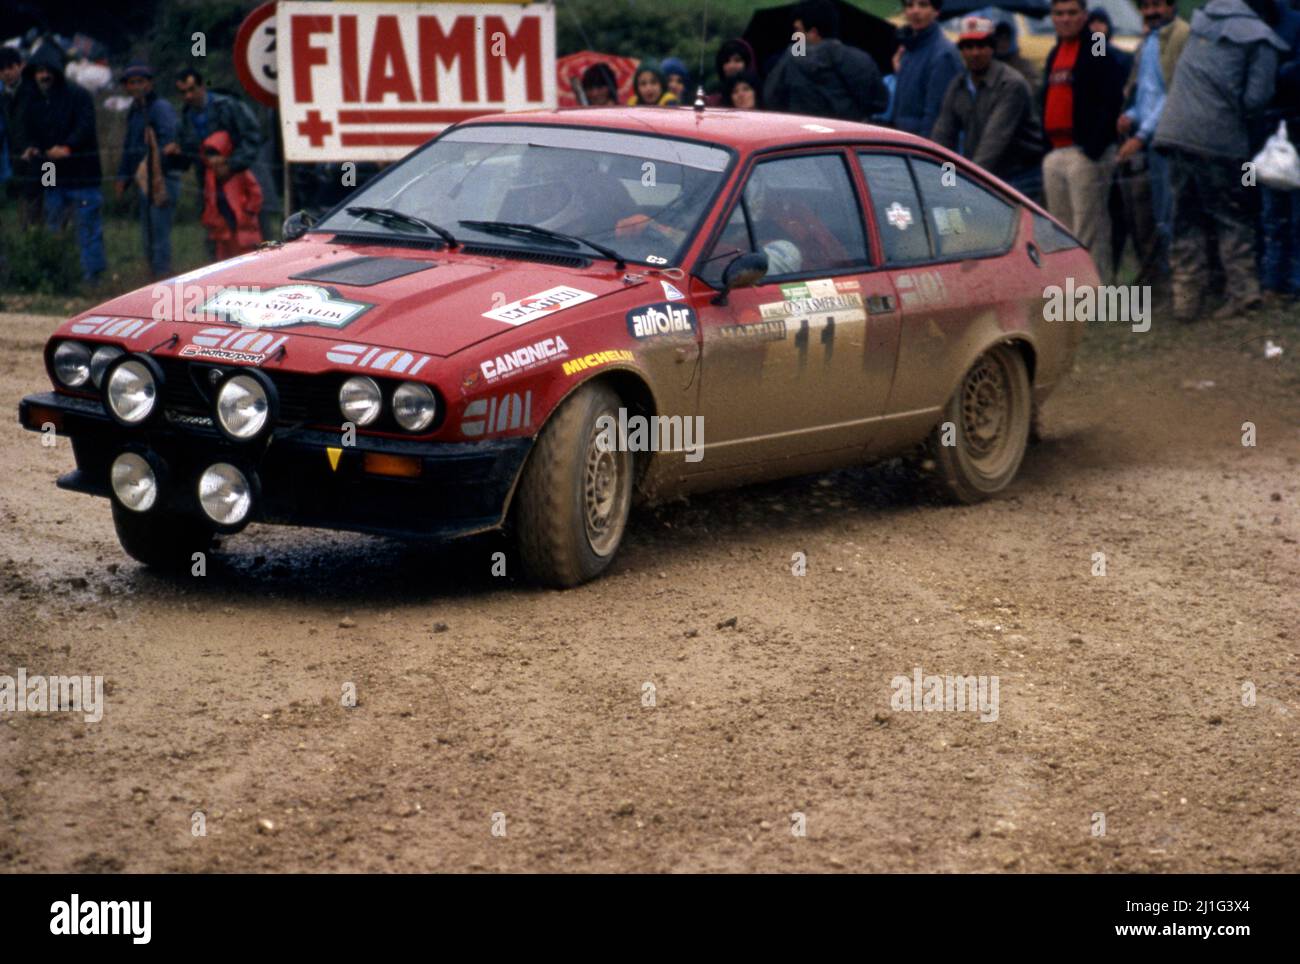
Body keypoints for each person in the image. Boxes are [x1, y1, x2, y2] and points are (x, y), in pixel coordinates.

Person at [1153, 0, 1288, 320]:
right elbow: (1256, 99)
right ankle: (1244, 293)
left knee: (1185, 216)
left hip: (1174, 131)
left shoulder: (1201, 25)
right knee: (1230, 214)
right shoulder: (1261, 40)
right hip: (1219, 139)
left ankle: (1186, 299)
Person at [1039, 0, 1127, 282]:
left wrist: (1094, 147)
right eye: (1059, 13)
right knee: (1061, 228)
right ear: (1052, 17)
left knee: (1089, 227)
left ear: (1084, 16)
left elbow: (1111, 97)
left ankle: (1096, 293)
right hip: (1056, 150)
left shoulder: (1096, 47)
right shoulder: (1055, 52)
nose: (1065, 19)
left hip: (1085, 152)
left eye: (1072, 13)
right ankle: (1072, 293)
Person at [13, 43, 105, 283]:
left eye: (47, 70)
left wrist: (67, 147)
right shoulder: (32, 101)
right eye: (38, 71)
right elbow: (27, 131)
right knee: (54, 225)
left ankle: (92, 276)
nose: (44, 76)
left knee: (87, 226)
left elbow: (85, 127)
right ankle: (61, 274)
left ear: (57, 71)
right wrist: (31, 147)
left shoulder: (78, 94)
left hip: (83, 174)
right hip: (51, 175)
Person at [1115, 0, 1189, 292]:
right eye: (1145, 6)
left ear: (1172, 6)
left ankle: (1181, 287)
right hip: (1149, 137)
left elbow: (1173, 92)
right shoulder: (1150, 40)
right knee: (1155, 216)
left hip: (1167, 138)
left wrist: (1140, 135)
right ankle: (1166, 284)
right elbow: (1147, 91)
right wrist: (1130, 115)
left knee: (1171, 214)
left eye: (1157, 5)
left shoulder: (1182, 34)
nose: (1150, 12)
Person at [931, 17, 1045, 196]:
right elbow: (943, 135)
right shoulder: (958, 85)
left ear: (992, 48)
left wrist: (969, 180)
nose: (975, 53)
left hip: (1020, 173)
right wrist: (942, 179)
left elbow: (994, 141)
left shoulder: (1010, 84)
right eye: (968, 47)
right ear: (961, 50)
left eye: (981, 46)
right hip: (987, 172)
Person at [173, 68, 271, 244]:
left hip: (242, 178)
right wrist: (177, 152)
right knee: (220, 235)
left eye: (192, 89)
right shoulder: (186, 117)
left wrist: (231, 164)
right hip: (212, 184)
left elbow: (253, 136)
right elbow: (191, 152)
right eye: (183, 92)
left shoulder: (229, 105)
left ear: (202, 87)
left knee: (253, 229)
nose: (188, 96)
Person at [763, 0, 889, 122]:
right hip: (850, 136)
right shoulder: (861, 59)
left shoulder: (789, 60)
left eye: (797, 31)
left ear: (813, 33)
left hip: (804, 135)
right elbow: (879, 102)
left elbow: (771, 98)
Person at [116, 64, 181, 280]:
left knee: (160, 231)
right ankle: (152, 274)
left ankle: (163, 277)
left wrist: (155, 161)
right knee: (148, 232)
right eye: (131, 83)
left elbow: (169, 140)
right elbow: (129, 146)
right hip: (144, 180)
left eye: (140, 82)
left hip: (162, 178)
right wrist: (123, 177)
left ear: (149, 83)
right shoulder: (135, 110)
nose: (136, 87)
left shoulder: (159, 107)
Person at [1260, 0, 1300, 303]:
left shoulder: (1292, 22)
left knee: (1291, 213)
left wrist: (1272, 72)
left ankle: (1292, 282)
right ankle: (1274, 282)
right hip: (1269, 130)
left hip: (1292, 129)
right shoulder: (1259, 20)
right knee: (1271, 210)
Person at [892, 0, 963, 138]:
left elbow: (935, 114)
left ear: (936, 11)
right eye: (909, 5)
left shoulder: (943, 54)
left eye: (923, 5)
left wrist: (923, 152)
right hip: (903, 138)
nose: (915, 11)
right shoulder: (909, 49)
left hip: (922, 145)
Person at [200, 131, 263, 260]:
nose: (214, 160)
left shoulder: (239, 170)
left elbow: (255, 193)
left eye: (216, 155)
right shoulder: (210, 174)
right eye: (210, 156)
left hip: (242, 221)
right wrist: (210, 217)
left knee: (247, 255)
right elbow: (209, 198)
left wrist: (248, 211)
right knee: (224, 257)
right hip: (222, 223)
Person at [991, 15, 1040, 93]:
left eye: (1005, 39)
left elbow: (1033, 87)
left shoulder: (1023, 65)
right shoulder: (988, 64)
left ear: (1011, 40)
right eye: (998, 39)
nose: (1002, 43)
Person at [706, 38, 757, 106]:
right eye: (726, 61)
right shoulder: (712, 103)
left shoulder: (764, 100)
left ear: (748, 63)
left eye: (737, 60)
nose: (731, 66)